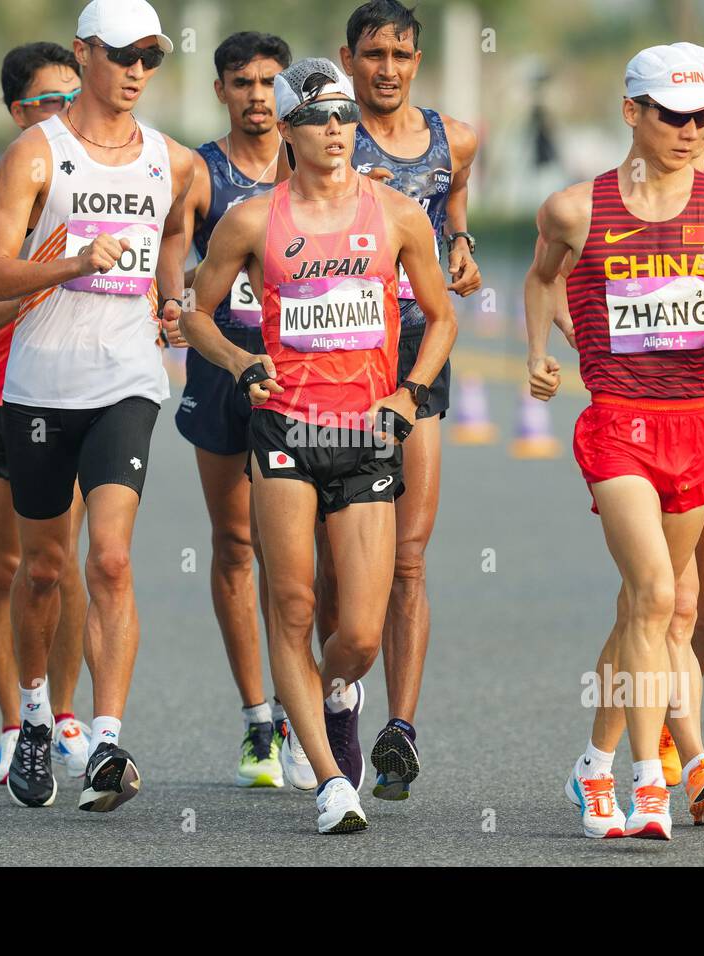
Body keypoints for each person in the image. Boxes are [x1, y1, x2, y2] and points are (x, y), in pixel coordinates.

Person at [177, 58, 455, 833]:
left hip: (366, 431)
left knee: (359, 633)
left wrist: (411, 391)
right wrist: (238, 363)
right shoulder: (250, 220)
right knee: (293, 603)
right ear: (291, 133)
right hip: (284, 430)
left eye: (343, 117)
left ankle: (337, 692)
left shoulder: (397, 214)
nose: (335, 130)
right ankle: (333, 782)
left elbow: (442, 317)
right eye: (319, 118)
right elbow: (195, 314)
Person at [524, 43, 704, 840]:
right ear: (633, 111)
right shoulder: (575, 208)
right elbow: (539, 278)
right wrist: (540, 349)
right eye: (674, 114)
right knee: (661, 599)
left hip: (699, 424)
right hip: (620, 427)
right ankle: (649, 785)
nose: (692, 129)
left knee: (652, 609)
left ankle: (592, 768)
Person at [0, 0, 194, 811]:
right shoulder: (38, 155)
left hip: (127, 380)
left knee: (110, 559)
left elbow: (175, 245)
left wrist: (172, 301)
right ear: (84, 54)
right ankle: (34, 716)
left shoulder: (172, 162)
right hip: (38, 386)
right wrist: (65, 266)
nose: (137, 71)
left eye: (151, 58)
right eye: (123, 54)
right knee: (43, 571)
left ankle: (106, 739)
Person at [298, 0, 481, 802]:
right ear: (348, 56)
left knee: (409, 554)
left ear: (418, 59)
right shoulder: (325, 135)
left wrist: (461, 246)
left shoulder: (455, 140)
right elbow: (281, 230)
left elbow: (451, 206)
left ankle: (401, 728)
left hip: (416, 356)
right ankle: (339, 690)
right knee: (337, 569)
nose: (387, 69)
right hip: (334, 363)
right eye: (373, 54)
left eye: (402, 55)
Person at [0, 42, 92, 786]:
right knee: (5, 565)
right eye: (48, 102)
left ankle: (61, 716)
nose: (66, 113)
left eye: (74, 97)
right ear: (17, 114)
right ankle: (13, 722)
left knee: (60, 564)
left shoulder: (97, 190)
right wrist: (34, 287)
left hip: (66, 395)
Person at [169, 31, 292, 788]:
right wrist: (170, 297)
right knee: (235, 542)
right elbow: (173, 259)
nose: (257, 94)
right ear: (221, 90)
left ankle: (310, 705)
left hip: (302, 375)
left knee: (302, 553)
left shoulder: (313, 159)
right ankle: (258, 722)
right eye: (241, 81)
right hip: (223, 368)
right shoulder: (201, 173)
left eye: (269, 81)